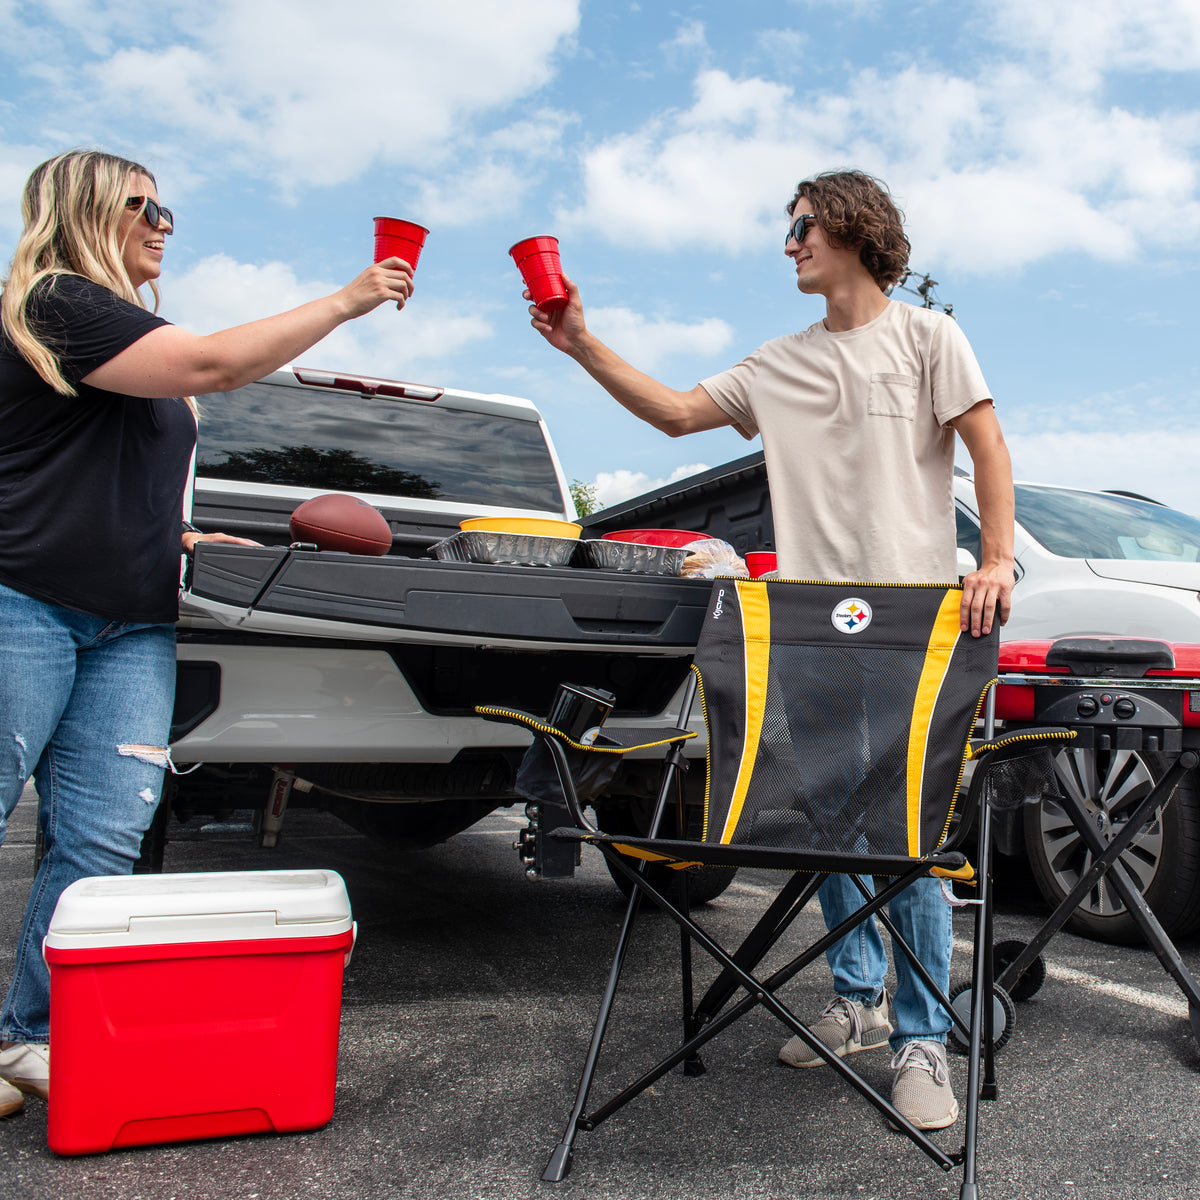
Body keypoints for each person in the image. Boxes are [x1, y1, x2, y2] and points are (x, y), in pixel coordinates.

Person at [524, 168, 1014, 1132]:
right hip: (809, 621)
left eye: (799, 226)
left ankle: (924, 1037)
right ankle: (860, 1002)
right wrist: (580, 342)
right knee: (830, 820)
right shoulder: (779, 361)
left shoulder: (927, 337)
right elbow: (672, 412)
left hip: (913, 623)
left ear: (852, 228)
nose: (787, 243)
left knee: (903, 836)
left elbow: (987, 447)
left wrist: (994, 559)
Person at [0, 149, 414, 1117]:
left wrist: (183, 531)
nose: (163, 223)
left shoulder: (126, 336)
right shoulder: (56, 301)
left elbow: (105, 469)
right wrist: (352, 298)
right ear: (85, 211)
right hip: (22, 598)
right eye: (142, 206)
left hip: (134, 619)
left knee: (102, 840)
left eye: (166, 207)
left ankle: (32, 1037)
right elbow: (216, 363)